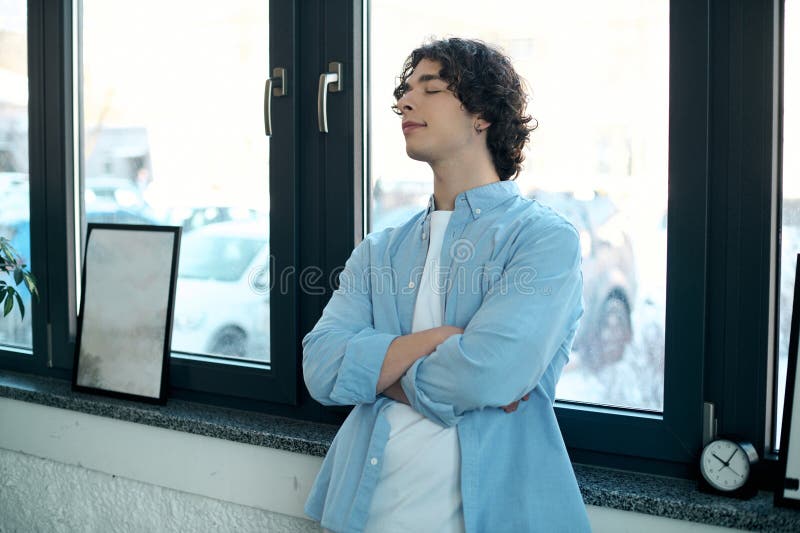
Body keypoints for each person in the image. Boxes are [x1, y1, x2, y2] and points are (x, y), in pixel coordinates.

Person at [302, 37, 591, 533]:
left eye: (430, 89)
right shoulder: (380, 248)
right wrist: (436, 341)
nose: (405, 103)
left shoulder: (543, 239)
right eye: (405, 92)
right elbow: (321, 367)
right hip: (361, 516)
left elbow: (487, 375)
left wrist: (377, 377)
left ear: (483, 115)